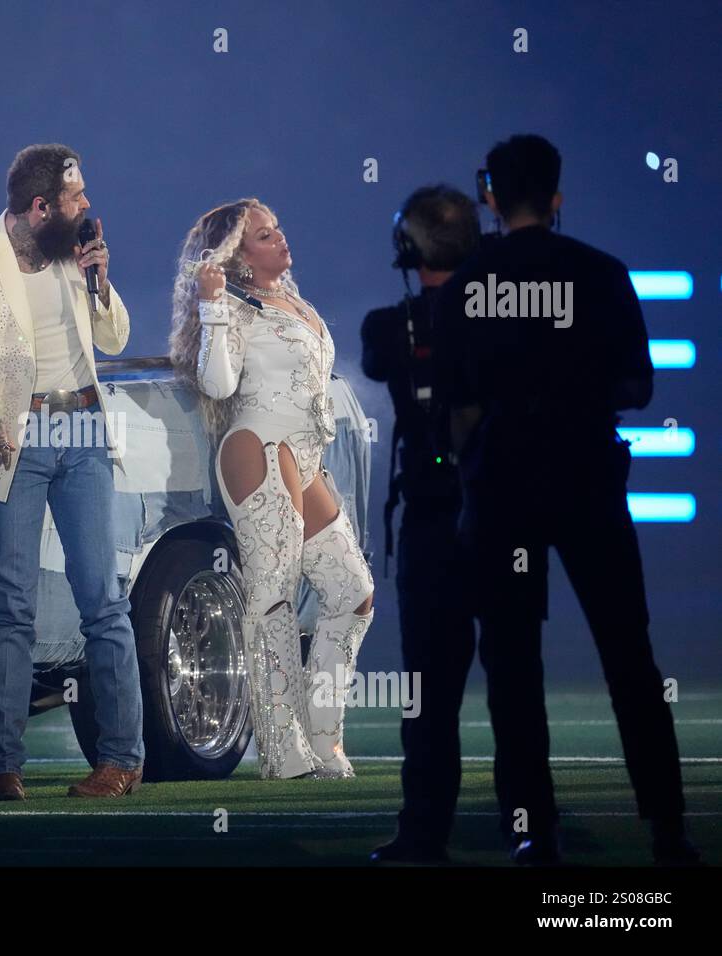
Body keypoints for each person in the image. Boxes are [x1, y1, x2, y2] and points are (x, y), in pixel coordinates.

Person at [433, 134, 700, 865]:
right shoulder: (601, 273)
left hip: (504, 485)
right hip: (586, 480)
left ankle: (532, 831)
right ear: (556, 194)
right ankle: (669, 830)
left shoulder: (469, 283)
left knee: (515, 668)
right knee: (629, 659)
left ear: (491, 193)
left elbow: (454, 404)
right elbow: (639, 388)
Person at [0, 143, 145, 800]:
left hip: (84, 428)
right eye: (75, 198)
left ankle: (121, 760)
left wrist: (101, 282)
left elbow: (118, 338)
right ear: (39, 207)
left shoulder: (77, 252)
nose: (87, 206)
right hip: (15, 437)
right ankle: (3, 766)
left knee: (103, 597)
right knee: (12, 603)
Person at [170, 199, 375, 779]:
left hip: (306, 456)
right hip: (257, 447)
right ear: (239, 256)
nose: (281, 239)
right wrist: (211, 307)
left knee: (352, 591)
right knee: (274, 595)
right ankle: (281, 751)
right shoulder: (233, 306)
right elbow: (217, 381)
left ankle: (322, 735)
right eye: (265, 235)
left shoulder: (293, 299)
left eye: (278, 228)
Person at [364, 185, 481, 862]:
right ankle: (535, 835)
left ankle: (424, 832)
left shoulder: (388, 327)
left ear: (406, 249)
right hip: (498, 515)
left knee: (426, 693)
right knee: (514, 682)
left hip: (435, 522)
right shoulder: (502, 318)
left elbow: (385, 357)